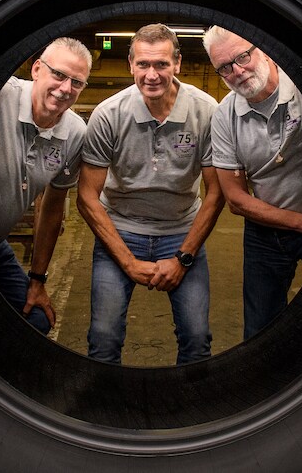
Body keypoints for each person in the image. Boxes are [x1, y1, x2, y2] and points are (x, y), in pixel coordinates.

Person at [78, 23, 224, 365]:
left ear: (177, 64)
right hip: (121, 230)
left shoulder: (206, 111)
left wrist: (184, 257)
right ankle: (103, 412)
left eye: (160, 64)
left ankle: (191, 411)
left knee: (197, 338)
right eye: (143, 64)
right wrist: (127, 262)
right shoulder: (108, 115)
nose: (151, 74)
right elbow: (86, 196)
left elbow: (217, 192)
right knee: (103, 337)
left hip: (180, 232)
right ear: (131, 65)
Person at [204, 26, 302, 339]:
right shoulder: (224, 117)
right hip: (267, 232)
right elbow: (235, 199)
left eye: (242, 56)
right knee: (260, 329)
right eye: (224, 67)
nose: (237, 71)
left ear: (264, 49)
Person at [0, 37, 92, 334]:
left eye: (77, 82)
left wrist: (38, 279)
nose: (65, 89)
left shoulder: (75, 133)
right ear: (37, 69)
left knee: (37, 319)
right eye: (59, 74)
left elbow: (52, 207)